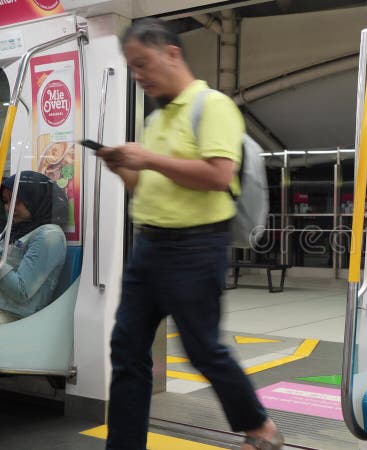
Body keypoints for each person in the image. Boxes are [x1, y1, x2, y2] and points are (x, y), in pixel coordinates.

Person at [97, 19, 283, 450]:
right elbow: (148, 188)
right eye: (132, 68)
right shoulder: (157, 119)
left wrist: (148, 159)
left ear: (172, 54)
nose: (138, 75)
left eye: (142, 64)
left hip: (195, 247)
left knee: (202, 350)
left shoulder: (212, 105)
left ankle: (259, 426)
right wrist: (125, 167)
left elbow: (219, 175)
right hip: (149, 248)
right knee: (127, 352)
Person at [0, 171, 67, 323]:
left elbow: (21, 291)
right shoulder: (13, 231)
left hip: (17, 318)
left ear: (34, 200)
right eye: (5, 201)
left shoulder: (49, 236)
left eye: (16, 201)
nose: (9, 207)